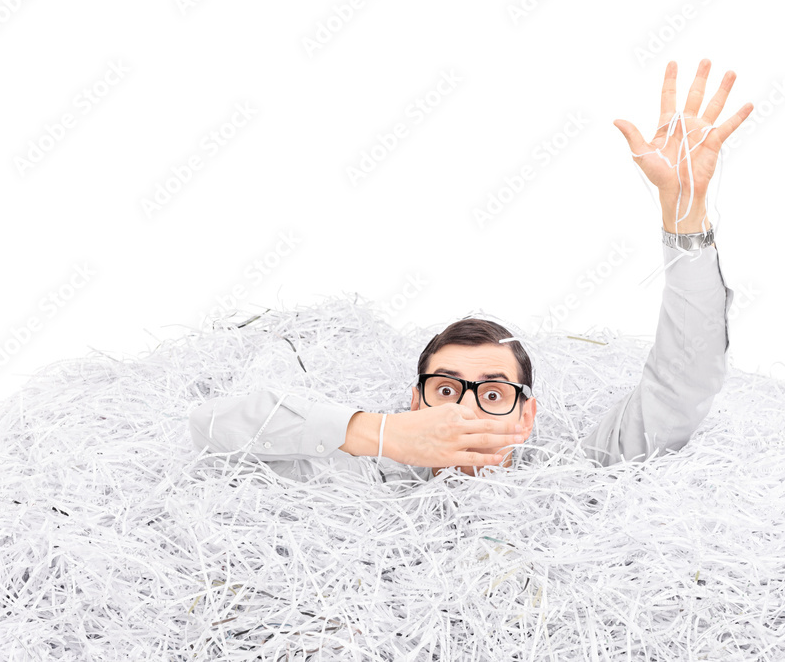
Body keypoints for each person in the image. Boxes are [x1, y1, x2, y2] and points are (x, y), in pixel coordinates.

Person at [190, 58, 752, 482]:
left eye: (491, 394)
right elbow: (214, 427)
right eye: (445, 389)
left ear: (526, 415)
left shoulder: (573, 476)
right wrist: (380, 434)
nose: (463, 410)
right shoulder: (363, 477)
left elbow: (683, 386)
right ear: (414, 405)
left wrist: (686, 214)